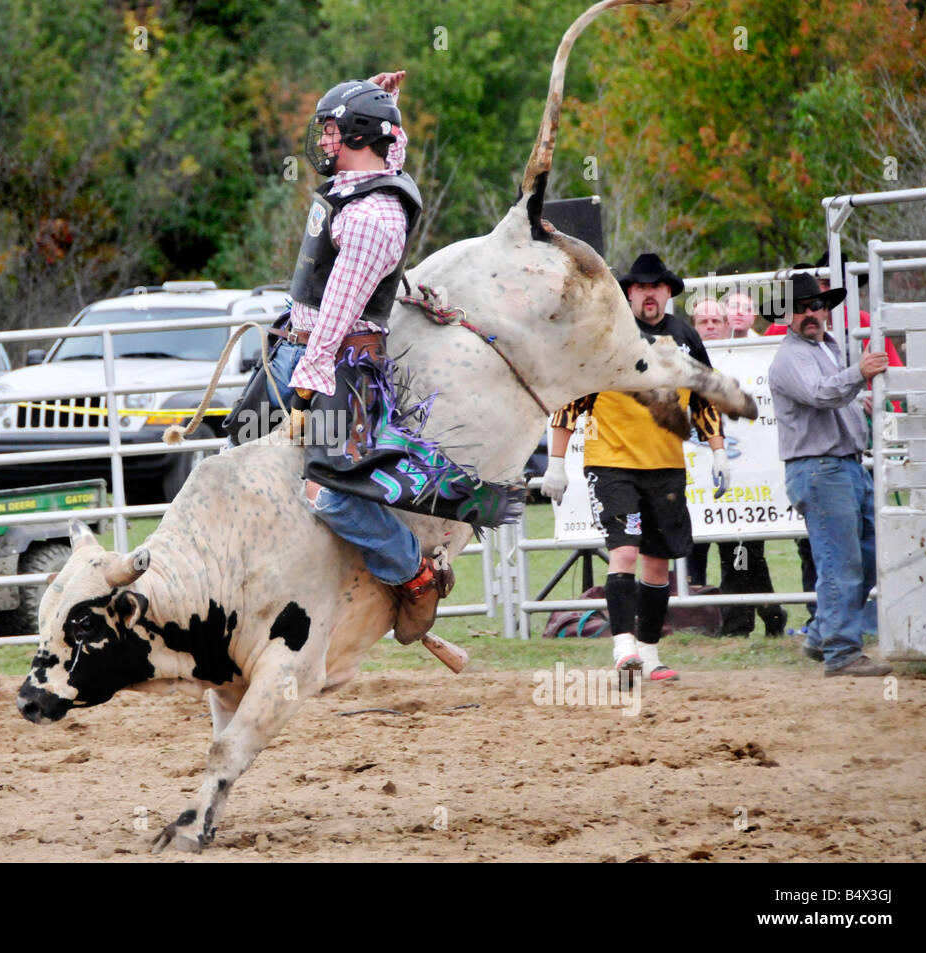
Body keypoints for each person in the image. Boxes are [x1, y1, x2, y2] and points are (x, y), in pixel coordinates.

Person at [223, 70, 522, 643]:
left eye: (333, 131)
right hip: (293, 346)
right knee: (237, 454)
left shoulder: (374, 216)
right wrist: (383, 100)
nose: (323, 141)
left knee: (330, 492)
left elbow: (338, 311)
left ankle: (412, 574)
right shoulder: (361, 185)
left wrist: (309, 381)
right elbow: (392, 150)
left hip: (339, 362)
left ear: (360, 136)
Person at [543, 253, 729, 681]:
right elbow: (573, 400)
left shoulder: (683, 336)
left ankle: (649, 652)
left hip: (666, 465)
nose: (649, 294)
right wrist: (556, 463)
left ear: (667, 292)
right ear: (629, 294)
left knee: (657, 565)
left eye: (656, 287)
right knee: (623, 550)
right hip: (612, 464)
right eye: (641, 288)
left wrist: (718, 450)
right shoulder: (608, 335)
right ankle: (623, 649)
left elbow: (703, 396)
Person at [767, 271, 892, 677]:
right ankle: (840, 651)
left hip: (843, 465)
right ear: (787, 315)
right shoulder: (791, 355)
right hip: (822, 468)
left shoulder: (826, 350)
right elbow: (821, 394)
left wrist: (859, 397)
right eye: (800, 308)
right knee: (843, 562)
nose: (810, 313)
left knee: (868, 556)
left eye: (815, 306)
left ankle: (824, 633)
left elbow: (830, 395)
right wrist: (860, 374)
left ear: (826, 310)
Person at [688, 300, 787, 637]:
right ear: (693, 325)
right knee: (694, 554)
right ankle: (703, 621)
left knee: (741, 553)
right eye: (703, 321)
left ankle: (738, 624)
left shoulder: (748, 357)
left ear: (728, 323)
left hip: (745, 476)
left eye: (716, 319)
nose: (711, 325)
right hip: (694, 474)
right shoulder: (685, 363)